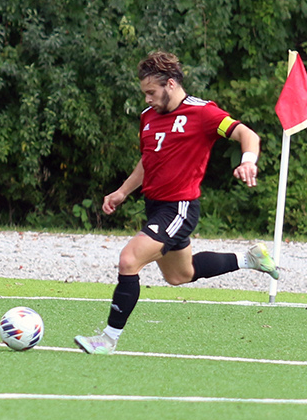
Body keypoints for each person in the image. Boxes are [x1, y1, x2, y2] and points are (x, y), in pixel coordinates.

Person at [74, 51, 280, 355]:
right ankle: (248, 259)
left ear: (170, 84)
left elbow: (246, 134)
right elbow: (149, 160)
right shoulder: (148, 117)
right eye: (145, 93)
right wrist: (122, 192)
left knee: (129, 260)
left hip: (179, 208)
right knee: (179, 275)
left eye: (151, 92)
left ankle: (107, 338)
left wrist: (248, 161)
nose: (148, 99)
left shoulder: (203, 113)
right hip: (155, 207)